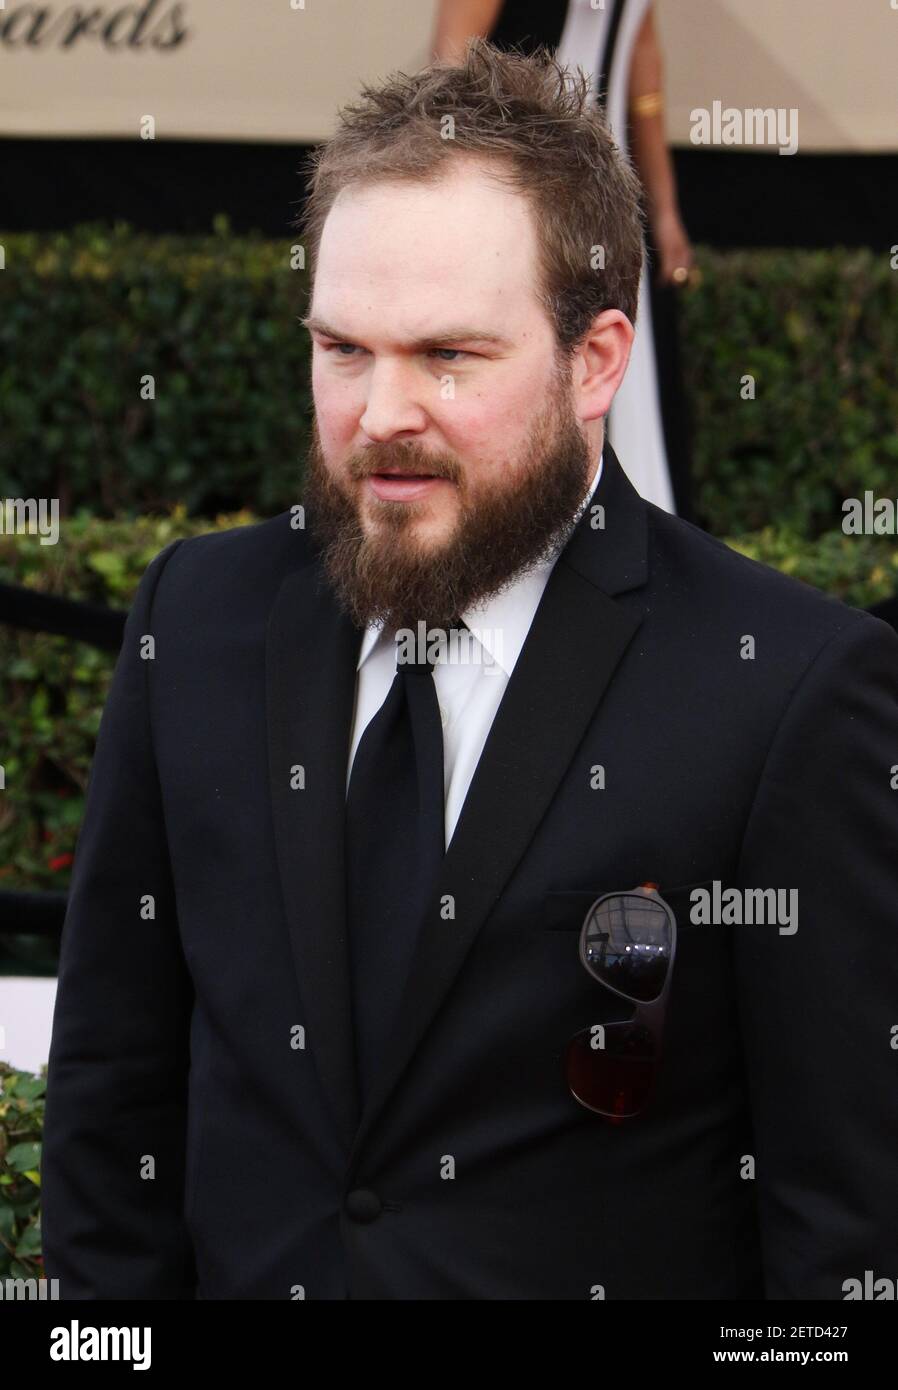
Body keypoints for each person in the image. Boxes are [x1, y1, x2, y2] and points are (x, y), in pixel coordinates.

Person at [41, 39, 898, 1300]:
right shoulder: (201, 621)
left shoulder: (784, 690)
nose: (381, 412)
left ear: (597, 361)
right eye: (343, 349)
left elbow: (842, 1218)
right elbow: (112, 1091)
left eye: (448, 355)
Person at [434, 0, 695, 519]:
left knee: (622, 376)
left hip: (614, 207)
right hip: (522, 198)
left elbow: (644, 85)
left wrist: (664, 212)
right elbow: (450, 70)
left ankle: (630, 538)